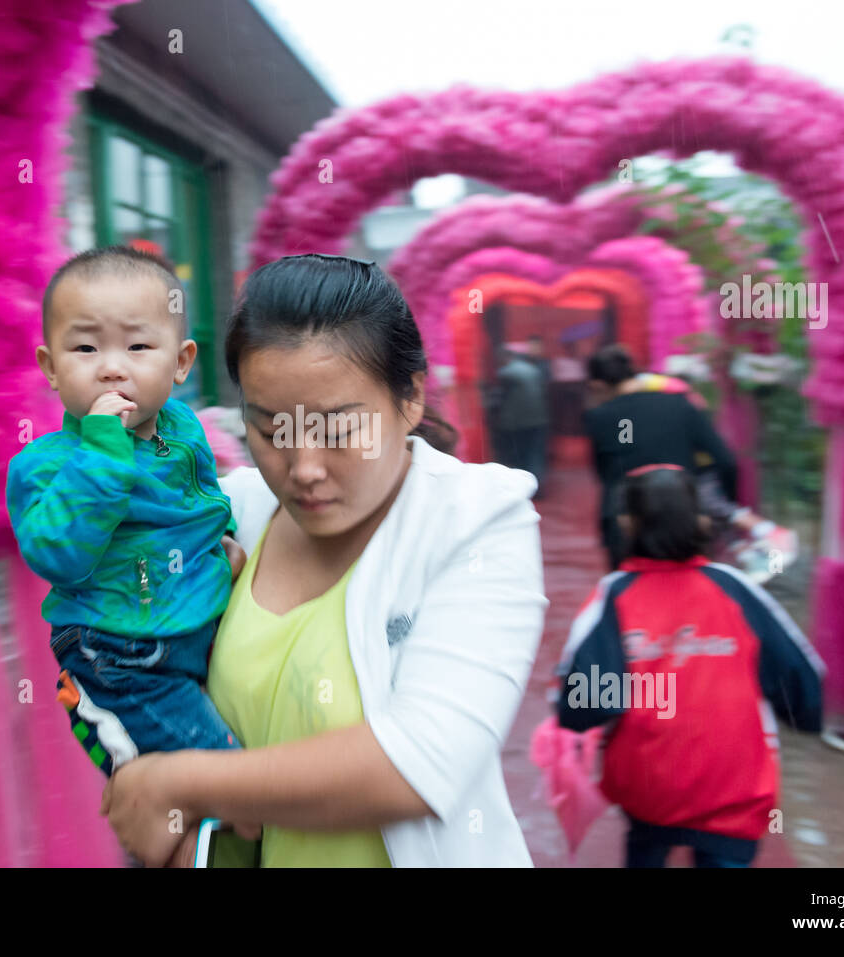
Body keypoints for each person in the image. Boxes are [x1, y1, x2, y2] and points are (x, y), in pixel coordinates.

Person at [99, 253, 548, 867]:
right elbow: (118, 657)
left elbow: (420, 764)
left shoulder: (475, 521)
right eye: (271, 430)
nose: (304, 468)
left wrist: (182, 784)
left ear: (410, 396)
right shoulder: (229, 513)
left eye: (338, 429)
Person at [5, 245, 247, 786]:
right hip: (119, 651)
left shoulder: (182, 428)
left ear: (181, 362)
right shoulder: (44, 466)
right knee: (230, 782)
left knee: (247, 751)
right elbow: (59, 556)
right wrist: (102, 455)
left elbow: (202, 494)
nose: (113, 367)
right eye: (86, 347)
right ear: (50, 367)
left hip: (195, 624)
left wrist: (222, 537)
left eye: (138, 346)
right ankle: (100, 717)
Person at [555, 465, 825, 867]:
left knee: (646, 847)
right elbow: (802, 679)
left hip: (648, 788)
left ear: (628, 524)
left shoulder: (614, 596)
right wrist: (806, 717)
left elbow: (583, 704)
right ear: (701, 521)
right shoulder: (735, 588)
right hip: (734, 787)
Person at [582, 344, 796, 580]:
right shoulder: (681, 404)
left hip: (626, 526)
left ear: (598, 385)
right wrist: (726, 507)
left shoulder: (599, 418)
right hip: (682, 521)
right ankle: (761, 548)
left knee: (629, 600)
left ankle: (758, 549)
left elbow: (606, 474)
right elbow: (725, 460)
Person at [487, 343, 550, 491]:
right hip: (539, 418)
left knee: (520, 455)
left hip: (518, 421)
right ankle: (538, 486)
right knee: (536, 454)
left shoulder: (505, 372)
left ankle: (526, 487)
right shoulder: (533, 369)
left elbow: (498, 397)